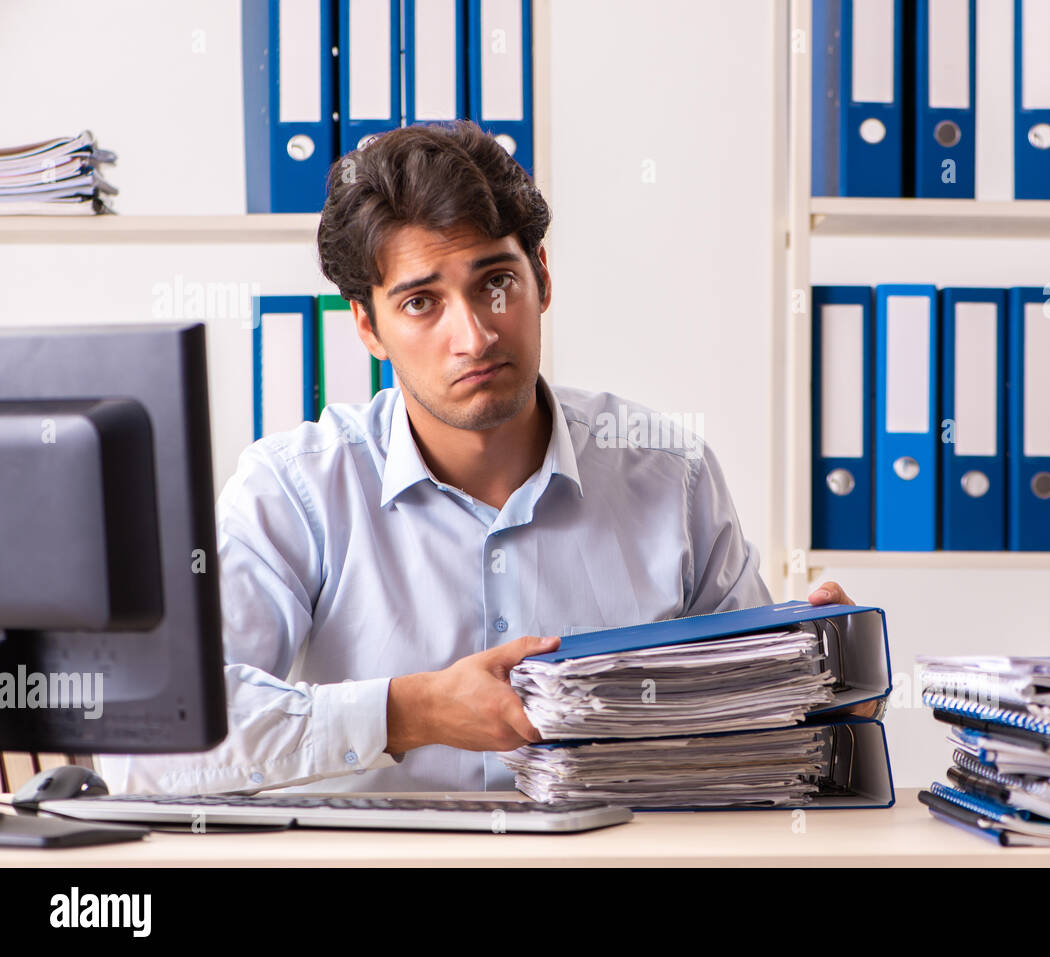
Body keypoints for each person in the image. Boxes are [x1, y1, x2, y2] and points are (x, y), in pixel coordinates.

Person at [102, 120, 857, 795]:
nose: (475, 336)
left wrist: (823, 670)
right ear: (367, 326)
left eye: (496, 284)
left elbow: (773, 736)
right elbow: (149, 752)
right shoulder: (297, 488)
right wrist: (407, 710)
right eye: (421, 302)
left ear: (543, 280)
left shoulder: (671, 472)